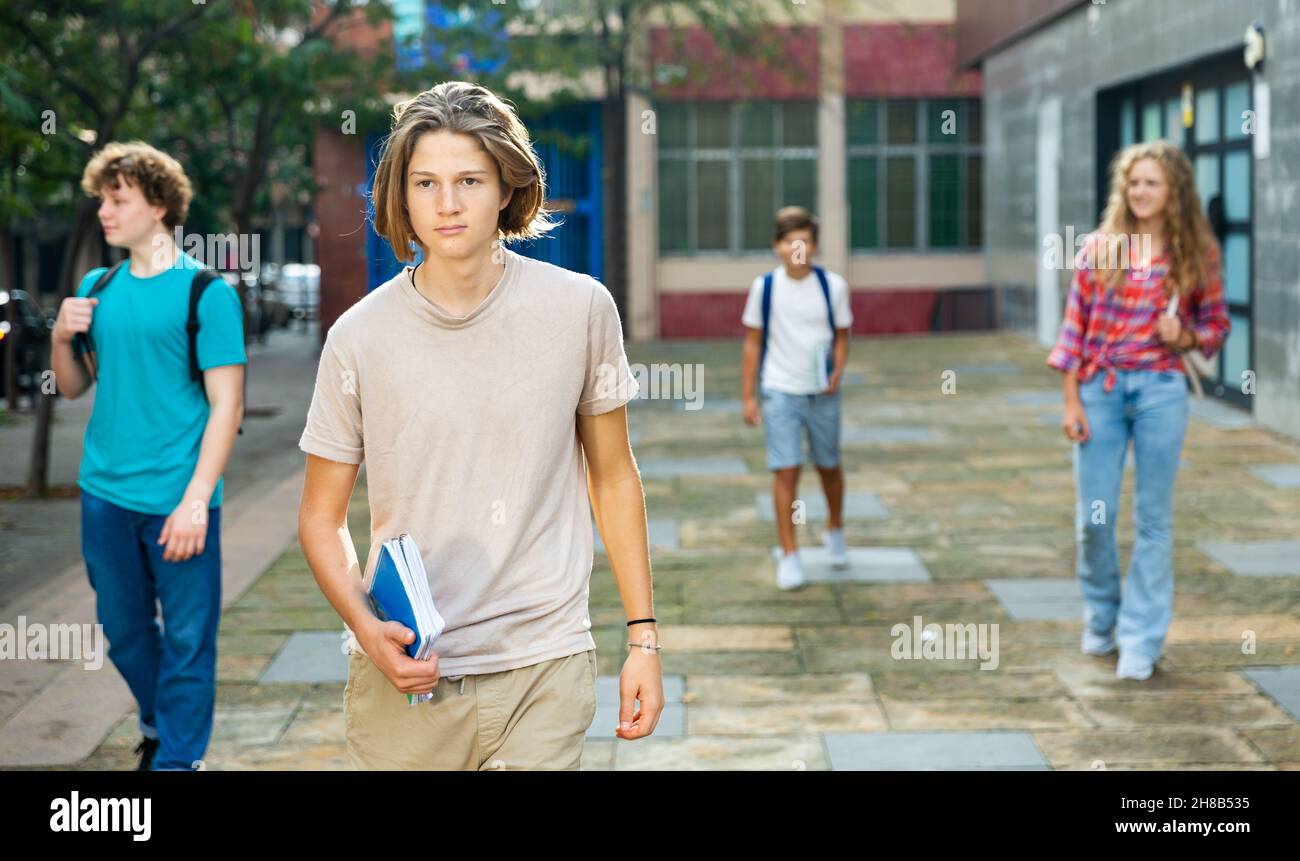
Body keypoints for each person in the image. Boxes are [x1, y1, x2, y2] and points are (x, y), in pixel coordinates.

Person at [296, 81, 662, 770]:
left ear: (507, 188)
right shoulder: (358, 339)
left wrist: (643, 637)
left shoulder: (580, 310)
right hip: (408, 676)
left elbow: (613, 477)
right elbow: (321, 517)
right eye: (426, 182)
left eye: (469, 179)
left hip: (544, 662)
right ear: (401, 197)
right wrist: (367, 630)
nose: (448, 203)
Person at [50, 141, 247, 769]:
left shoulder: (206, 293)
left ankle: (176, 762)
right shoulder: (96, 287)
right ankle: (163, 723)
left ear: (158, 206)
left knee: (189, 642)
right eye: (103, 199)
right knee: (126, 634)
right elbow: (76, 384)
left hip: (179, 498)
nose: (104, 212)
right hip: (105, 492)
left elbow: (228, 406)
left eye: (118, 199)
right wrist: (61, 334)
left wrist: (195, 501)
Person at [1048, 140, 1230, 681]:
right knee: (1093, 519)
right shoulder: (1100, 248)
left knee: (1153, 520)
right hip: (1099, 389)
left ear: (1173, 189)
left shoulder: (1197, 254)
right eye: (1134, 182)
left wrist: (1186, 334)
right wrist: (1070, 399)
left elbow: (1217, 327)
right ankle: (1102, 615)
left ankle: (1141, 639)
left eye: (1152, 182)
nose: (1141, 191)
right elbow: (1072, 329)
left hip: (1160, 391)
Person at [741, 206, 853, 590]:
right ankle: (789, 554)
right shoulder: (766, 288)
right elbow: (753, 343)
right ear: (777, 246)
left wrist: (837, 371)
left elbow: (842, 335)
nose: (797, 247)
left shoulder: (832, 286)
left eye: (804, 239)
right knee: (785, 470)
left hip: (823, 392)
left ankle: (835, 528)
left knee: (828, 466)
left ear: (815, 245)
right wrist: (748, 397)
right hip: (780, 390)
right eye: (790, 240)